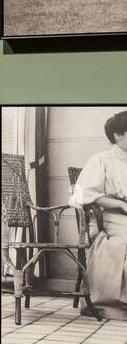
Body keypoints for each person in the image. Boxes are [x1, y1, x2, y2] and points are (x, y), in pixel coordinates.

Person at [71, 110, 127, 318]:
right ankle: (117, 303)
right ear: (117, 135)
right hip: (112, 217)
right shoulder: (101, 160)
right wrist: (120, 205)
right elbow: (86, 193)